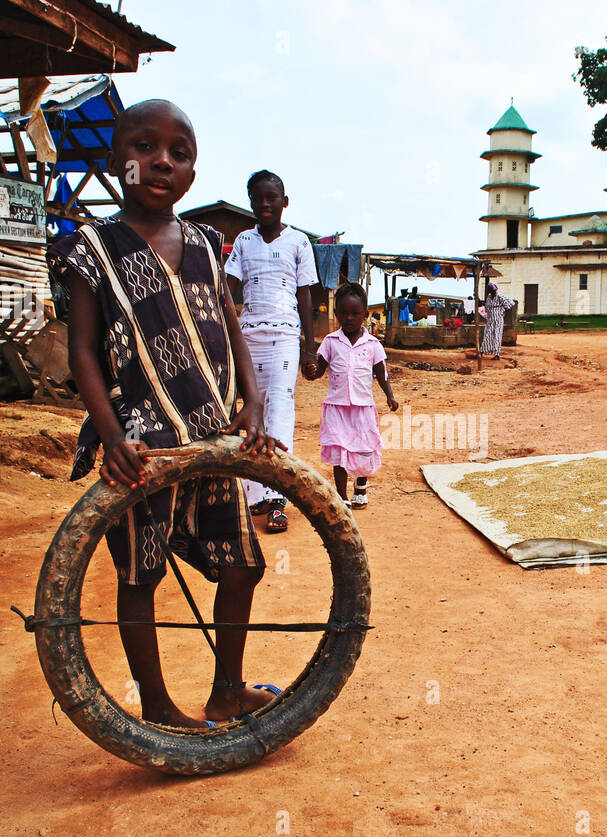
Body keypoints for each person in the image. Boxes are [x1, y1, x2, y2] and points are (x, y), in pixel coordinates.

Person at [51, 99, 282, 727]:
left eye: (179, 153)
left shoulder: (209, 245)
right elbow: (82, 352)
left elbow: (234, 330)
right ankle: (155, 705)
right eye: (145, 148)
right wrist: (109, 434)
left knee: (242, 565)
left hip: (211, 436)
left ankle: (228, 689)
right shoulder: (92, 249)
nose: (162, 162)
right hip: (142, 446)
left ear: (193, 173)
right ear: (116, 160)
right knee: (140, 576)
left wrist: (253, 402)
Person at [224, 170, 319, 534]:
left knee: (279, 411)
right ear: (250, 202)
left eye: (271, 198)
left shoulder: (298, 242)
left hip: (284, 336)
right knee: (251, 412)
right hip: (247, 337)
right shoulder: (244, 241)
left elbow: (305, 294)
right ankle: (253, 497)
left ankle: (279, 499)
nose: (264, 204)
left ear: (284, 202)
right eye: (257, 198)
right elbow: (227, 289)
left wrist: (309, 348)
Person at [304, 282, 398, 509]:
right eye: (344, 313)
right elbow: (319, 369)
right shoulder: (330, 342)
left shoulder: (373, 344)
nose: (349, 318)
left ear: (365, 314)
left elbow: (381, 373)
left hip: (363, 406)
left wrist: (390, 395)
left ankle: (360, 487)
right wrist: (311, 371)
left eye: (355, 313)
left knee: (363, 449)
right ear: (336, 314)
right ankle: (341, 496)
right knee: (339, 450)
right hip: (336, 406)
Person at [476, 281, 515, 358]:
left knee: (497, 335)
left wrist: (503, 312)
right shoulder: (489, 297)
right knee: (487, 334)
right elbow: (487, 308)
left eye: (489, 288)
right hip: (490, 320)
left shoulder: (500, 296)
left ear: (493, 289)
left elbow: (510, 303)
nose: (487, 290)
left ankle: (497, 354)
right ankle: (482, 351)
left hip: (498, 319)